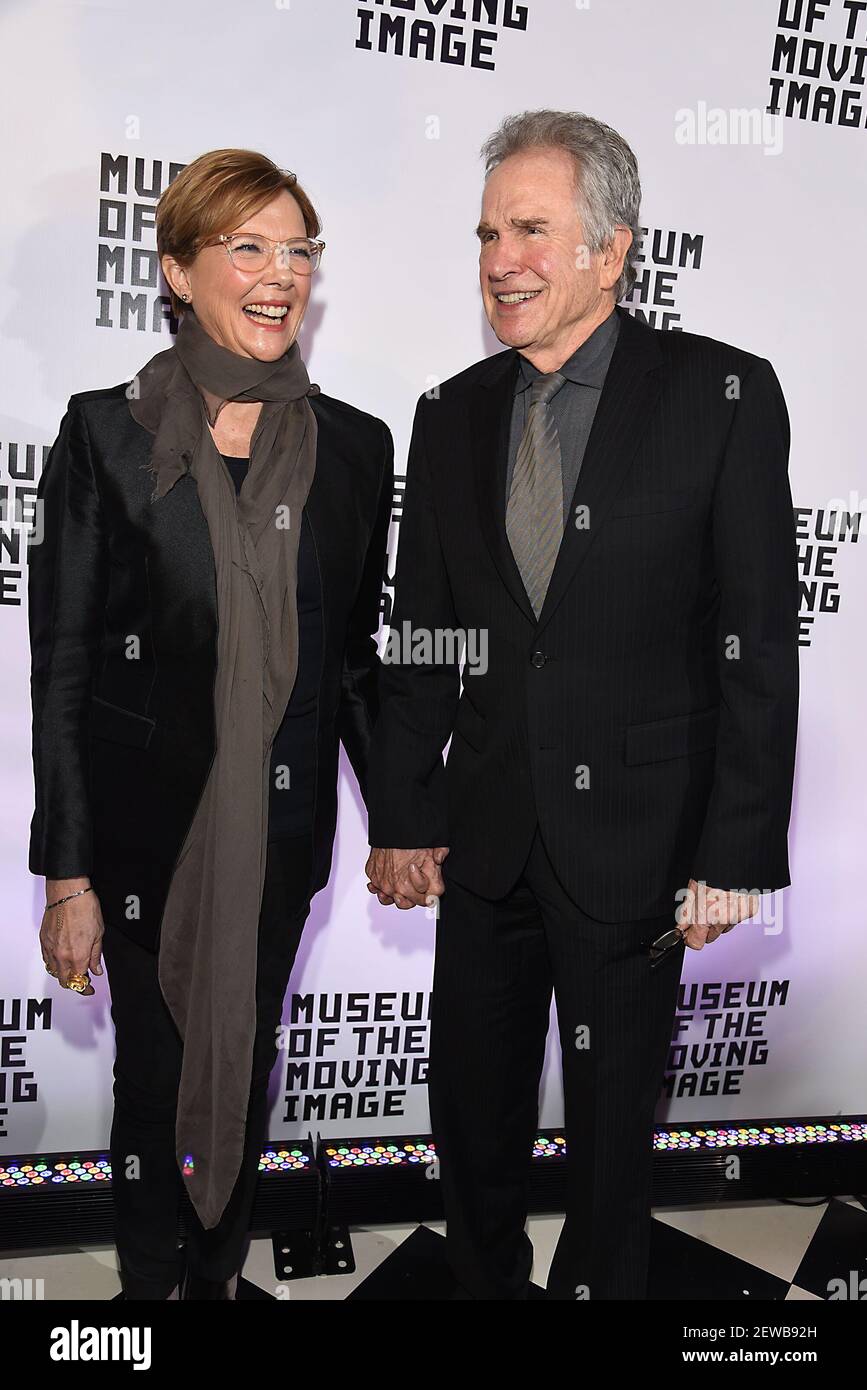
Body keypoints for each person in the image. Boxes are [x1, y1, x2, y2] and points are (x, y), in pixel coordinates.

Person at [365, 109, 798, 1300]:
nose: (502, 257)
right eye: (489, 231)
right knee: (474, 1119)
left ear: (612, 250)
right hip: (488, 840)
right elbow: (425, 640)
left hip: (644, 847)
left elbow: (756, 646)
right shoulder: (450, 413)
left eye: (533, 229)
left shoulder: (722, 394)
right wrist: (404, 811)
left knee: (614, 1142)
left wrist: (737, 852)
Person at [28, 148, 393, 1300]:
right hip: (144, 837)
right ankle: (149, 1295)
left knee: (246, 1067)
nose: (280, 273)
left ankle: (220, 1278)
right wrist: (68, 875)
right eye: (247, 247)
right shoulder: (104, 436)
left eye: (297, 250)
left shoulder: (357, 449)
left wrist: (406, 815)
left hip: (279, 838)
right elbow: (67, 667)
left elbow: (350, 667)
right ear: (179, 271)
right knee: (155, 1079)